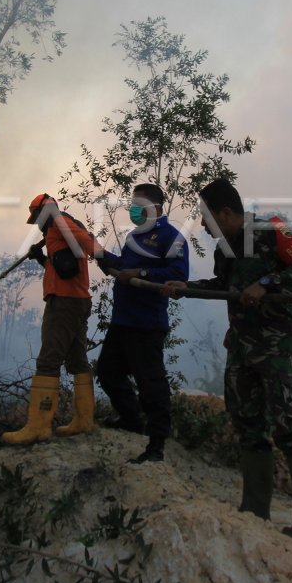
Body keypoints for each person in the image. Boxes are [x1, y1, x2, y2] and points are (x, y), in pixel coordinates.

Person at [162, 178, 292, 547]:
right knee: (248, 425)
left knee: (290, 425)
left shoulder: (272, 231)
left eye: (207, 218)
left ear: (227, 213)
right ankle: (254, 512)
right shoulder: (225, 248)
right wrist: (184, 288)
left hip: (275, 348)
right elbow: (224, 285)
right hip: (241, 347)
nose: (203, 226)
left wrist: (267, 284)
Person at [95, 183, 190, 464]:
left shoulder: (171, 237)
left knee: (151, 384)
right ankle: (130, 420)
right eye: (133, 205)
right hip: (122, 320)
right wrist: (98, 252)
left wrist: (143, 271)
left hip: (147, 324)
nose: (134, 210)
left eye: (140, 205)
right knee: (109, 372)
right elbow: (122, 266)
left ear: (157, 208)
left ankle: (157, 444)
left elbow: (177, 272)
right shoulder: (135, 238)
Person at [2, 193, 101, 445]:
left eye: (36, 219)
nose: (36, 224)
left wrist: (103, 255)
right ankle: (84, 420)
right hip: (77, 300)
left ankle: (38, 426)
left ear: (42, 213)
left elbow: (85, 242)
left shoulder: (59, 222)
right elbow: (65, 268)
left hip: (64, 303)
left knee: (48, 360)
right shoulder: (57, 230)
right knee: (77, 360)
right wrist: (42, 259)